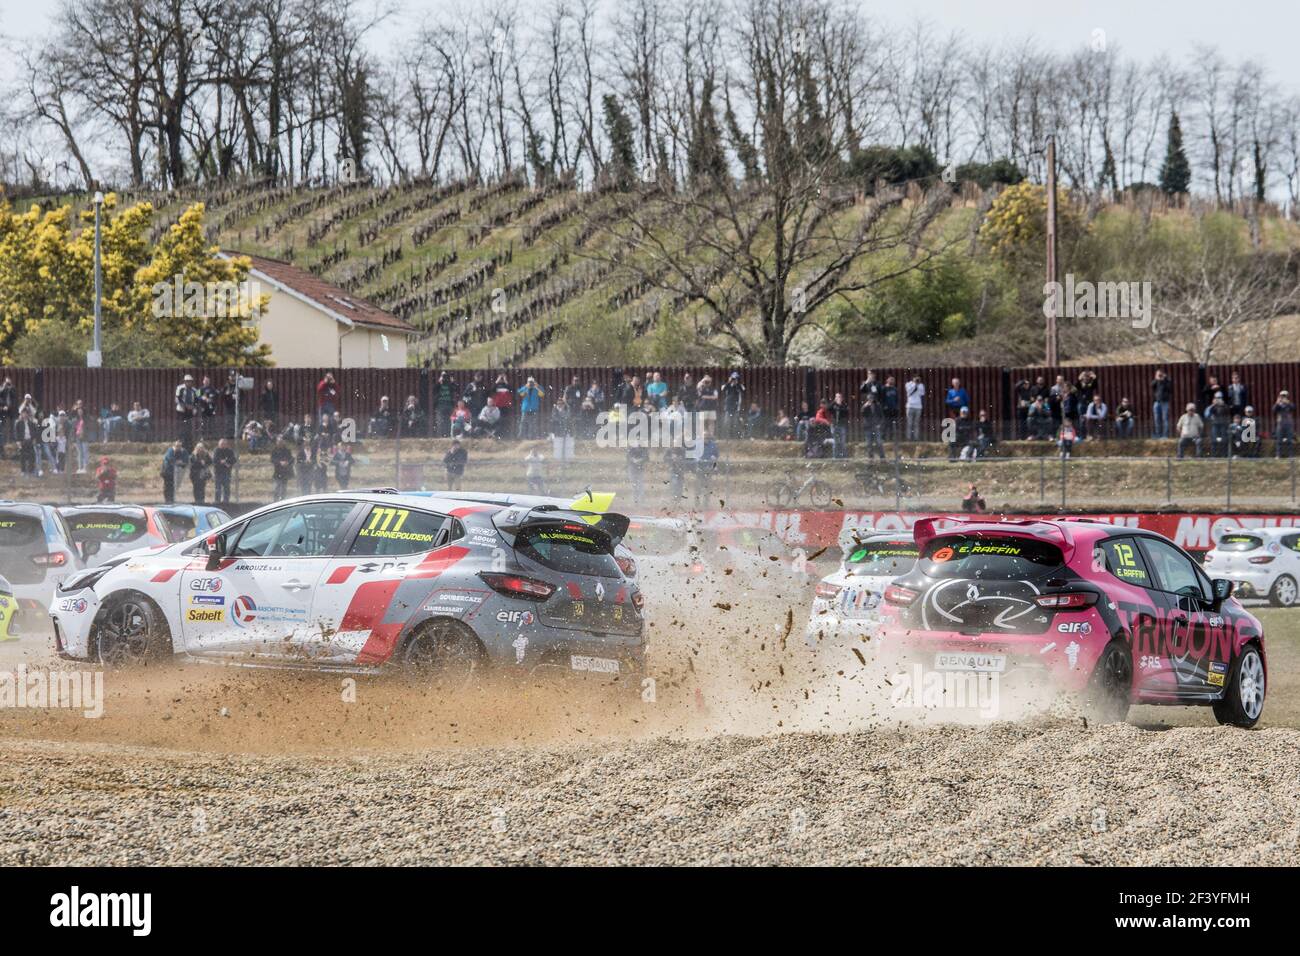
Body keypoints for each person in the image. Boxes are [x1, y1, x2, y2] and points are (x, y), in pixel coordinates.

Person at [175, 373, 198, 449]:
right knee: (182, 426)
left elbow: (198, 399)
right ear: (184, 381)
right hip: (181, 410)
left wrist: (194, 406)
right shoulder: (179, 388)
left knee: (189, 427)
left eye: (190, 381)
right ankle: (181, 442)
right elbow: (177, 399)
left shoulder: (196, 390)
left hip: (190, 411)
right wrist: (185, 406)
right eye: (187, 381)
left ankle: (189, 444)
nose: (189, 382)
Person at [1205, 392, 1232, 458]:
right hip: (1215, 425)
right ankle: (1214, 455)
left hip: (1223, 425)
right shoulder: (1213, 406)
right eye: (1217, 398)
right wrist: (1214, 405)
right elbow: (1209, 414)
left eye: (1220, 398)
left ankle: (1224, 455)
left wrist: (1223, 405)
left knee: (1224, 440)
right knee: (1214, 440)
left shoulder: (1225, 406)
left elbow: (1228, 412)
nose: (1218, 399)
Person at [720, 371, 746, 437]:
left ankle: (735, 436)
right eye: (733, 379)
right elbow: (723, 389)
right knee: (727, 422)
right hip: (728, 407)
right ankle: (726, 436)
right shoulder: (727, 385)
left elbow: (743, 390)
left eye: (736, 378)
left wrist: (737, 384)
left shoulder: (739, 386)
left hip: (736, 407)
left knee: (735, 422)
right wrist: (729, 382)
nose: (734, 380)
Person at [213, 438, 237, 505]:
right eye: (221, 444)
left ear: (226, 444)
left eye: (224, 444)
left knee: (226, 488)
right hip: (218, 472)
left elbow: (233, 460)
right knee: (218, 489)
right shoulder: (216, 450)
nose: (223, 445)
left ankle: (226, 501)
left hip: (227, 472)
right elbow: (215, 460)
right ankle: (217, 501)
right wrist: (221, 462)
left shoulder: (229, 451)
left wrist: (225, 461)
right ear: (219, 444)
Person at [862, 394, 886, 459]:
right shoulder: (865, 407)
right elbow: (863, 414)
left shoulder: (878, 406)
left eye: (871, 399)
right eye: (869, 399)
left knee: (879, 443)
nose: (870, 400)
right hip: (868, 428)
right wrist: (864, 407)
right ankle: (870, 457)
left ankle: (882, 457)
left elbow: (882, 416)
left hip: (876, 427)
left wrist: (879, 424)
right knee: (869, 444)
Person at [432, 372, 456, 437]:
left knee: (450, 421)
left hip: (449, 405)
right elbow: (434, 389)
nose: (445, 378)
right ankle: (439, 435)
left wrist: (452, 382)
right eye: (443, 376)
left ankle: (448, 435)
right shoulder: (439, 385)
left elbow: (455, 389)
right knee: (439, 421)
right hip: (440, 405)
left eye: (445, 377)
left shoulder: (449, 385)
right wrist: (438, 382)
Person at [828, 392, 850, 459]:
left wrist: (840, 406)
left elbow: (846, 412)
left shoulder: (844, 405)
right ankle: (835, 456)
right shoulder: (833, 405)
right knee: (835, 442)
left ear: (842, 398)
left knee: (843, 442)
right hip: (834, 425)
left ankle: (844, 456)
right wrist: (834, 402)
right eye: (837, 397)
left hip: (842, 426)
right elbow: (828, 408)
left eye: (839, 397)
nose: (838, 398)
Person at [1151, 370, 1173, 439]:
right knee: (1157, 419)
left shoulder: (1167, 381)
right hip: (1157, 402)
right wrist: (1156, 379)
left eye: (1161, 374)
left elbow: (1170, 389)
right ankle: (1158, 435)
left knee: (1164, 418)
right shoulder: (1156, 381)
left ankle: (1165, 435)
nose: (1160, 376)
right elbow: (1152, 385)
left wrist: (1164, 380)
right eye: (1158, 374)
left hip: (1165, 402)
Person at [1273, 390, 1295, 459]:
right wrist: (1277, 403)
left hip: (1288, 424)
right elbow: (1273, 410)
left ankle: (1290, 455)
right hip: (1280, 424)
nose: (1283, 397)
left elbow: (1293, 408)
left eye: (1285, 396)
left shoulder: (1289, 404)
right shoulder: (1278, 404)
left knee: (1290, 440)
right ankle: (1278, 455)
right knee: (1279, 440)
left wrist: (1288, 403)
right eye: (1282, 396)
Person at [904, 374, 925, 440]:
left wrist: (918, 385)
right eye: (916, 378)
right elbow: (909, 391)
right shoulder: (908, 384)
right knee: (909, 423)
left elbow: (922, 393)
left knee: (916, 423)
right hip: (910, 406)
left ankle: (916, 437)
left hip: (918, 406)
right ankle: (908, 437)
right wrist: (914, 384)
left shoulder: (921, 385)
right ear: (913, 378)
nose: (917, 380)